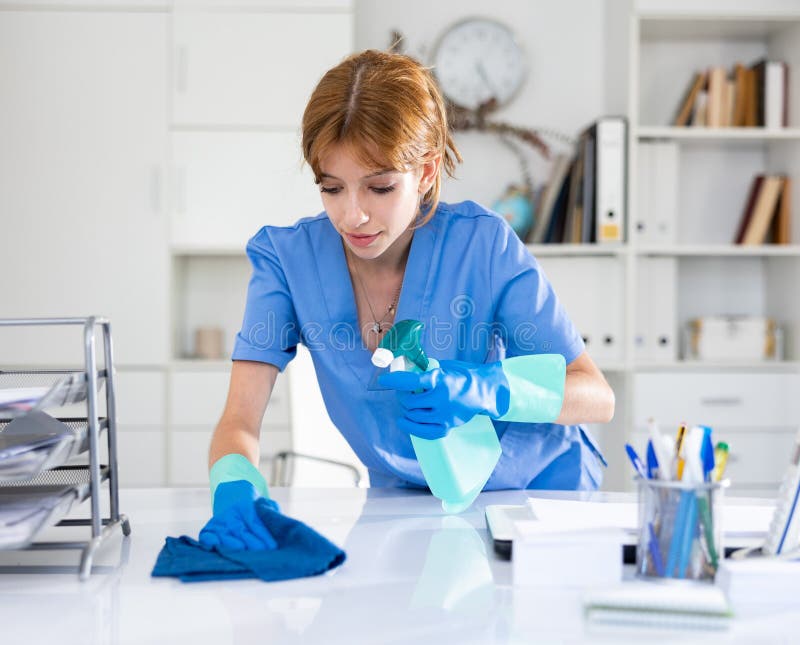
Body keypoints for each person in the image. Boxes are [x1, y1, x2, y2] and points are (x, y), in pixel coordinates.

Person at [199, 49, 615, 550]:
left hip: (536, 491)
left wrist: (490, 388)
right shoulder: (289, 261)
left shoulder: (483, 246)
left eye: (379, 187)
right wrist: (233, 486)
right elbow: (240, 420)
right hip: (406, 502)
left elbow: (596, 396)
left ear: (426, 173)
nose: (352, 216)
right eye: (331, 188)